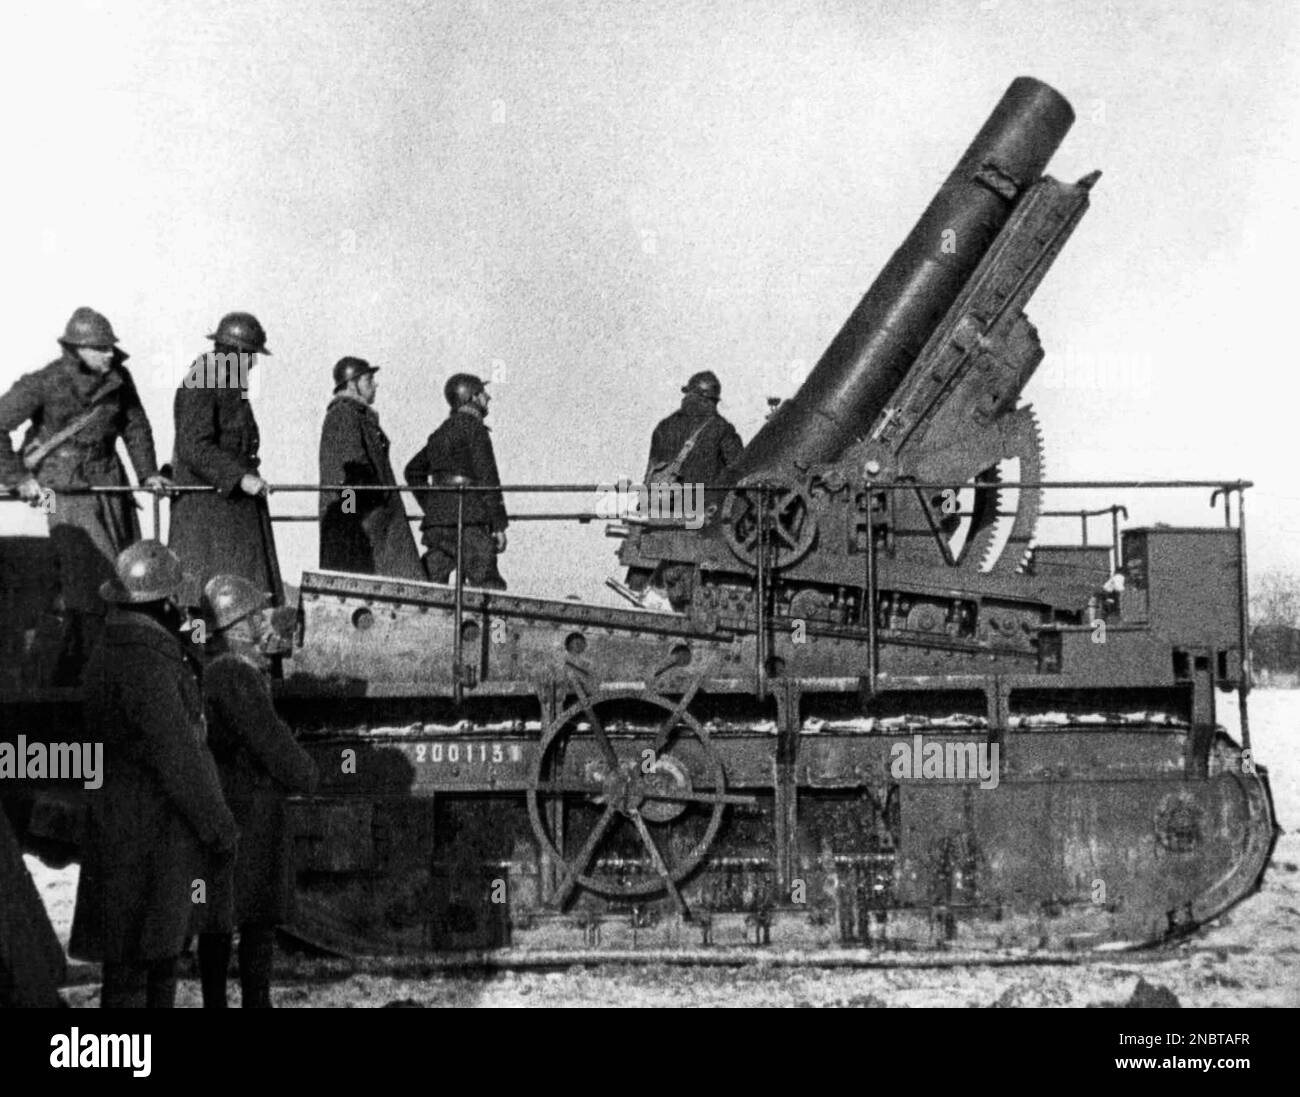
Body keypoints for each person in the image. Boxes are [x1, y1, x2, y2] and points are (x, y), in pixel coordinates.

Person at [68, 541, 237, 1008]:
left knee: (135, 967)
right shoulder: (148, 660)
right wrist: (219, 827)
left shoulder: (115, 648)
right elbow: (177, 753)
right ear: (162, 602)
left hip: (123, 832)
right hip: (151, 840)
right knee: (146, 971)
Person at [0, 307, 170, 678]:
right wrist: (18, 478)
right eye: (101, 348)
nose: (110, 354)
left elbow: (134, 425)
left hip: (110, 487)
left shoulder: (119, 378)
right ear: (77, 350)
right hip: (62, 490)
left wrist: (148, 474)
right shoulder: (44, 382)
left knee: (126, 576)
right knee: (92, 579)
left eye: (111, 348)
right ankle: (92, 671)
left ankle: (117, 667)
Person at [195, 574, 318, 1009]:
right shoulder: (235, 673)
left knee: (219, 920)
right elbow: (269, 740)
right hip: (250, 810)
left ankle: (216, 1003)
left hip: (227, 804)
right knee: (256, 920)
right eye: (257, 616)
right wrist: (306, 773)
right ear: (239, 625)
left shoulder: (215, 669)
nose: (267, 624)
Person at [168, 311, 282, 604]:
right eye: (251, 355)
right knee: (210, 598)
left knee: (242, 596)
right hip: (208, 515)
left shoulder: (226, 381)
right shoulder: (204, 378)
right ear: (236, 353)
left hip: (229, 512)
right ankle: (201, 644)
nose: (254, 363)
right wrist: (240, 477)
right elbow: (193, 445)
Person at [621, 371, 744, 604]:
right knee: (682, 580)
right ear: (712, 401)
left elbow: (651, 470)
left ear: (689, 395)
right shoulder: (722, 430)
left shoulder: (665, 426)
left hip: (655, 504)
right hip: (694, 511)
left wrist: (641, 508)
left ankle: (639, 596)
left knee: (642, 571)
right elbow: (738, 473)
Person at [318, 356, 423, 579]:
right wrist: (351, 520)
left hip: (376, 518)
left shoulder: (356, 415)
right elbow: (347, 474)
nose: (375, 385)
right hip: (369, 523)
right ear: (351, 384)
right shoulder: (343, 415)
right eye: (368, 380)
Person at [403, 373, 508, 590]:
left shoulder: (440, 433)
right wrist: (498, 525)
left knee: (429, 586)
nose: (488, 398)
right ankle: (498, 626)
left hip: (439, 525)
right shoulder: (475, 429)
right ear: (471, 397)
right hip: (469, 521)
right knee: (489, 587)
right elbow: (488, 478)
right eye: (482, 393)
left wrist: (434, 506)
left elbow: (412, 471)